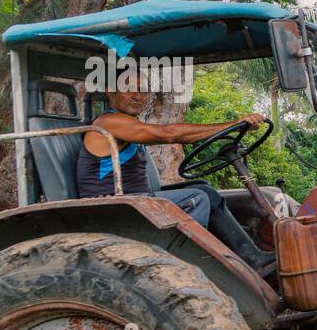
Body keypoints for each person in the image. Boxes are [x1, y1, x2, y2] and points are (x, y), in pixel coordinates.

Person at [76, 77, 277, 271]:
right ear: (112, 92)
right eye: (129, 88)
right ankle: (186, 266)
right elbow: (168, 134)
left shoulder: (128, 125)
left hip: (135, 200)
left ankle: (251, 258)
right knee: (197, 198)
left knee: (206, 191)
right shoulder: (108, 122)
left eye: (143, 91)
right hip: (113, 206)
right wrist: (232, 124)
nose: (138, 95)